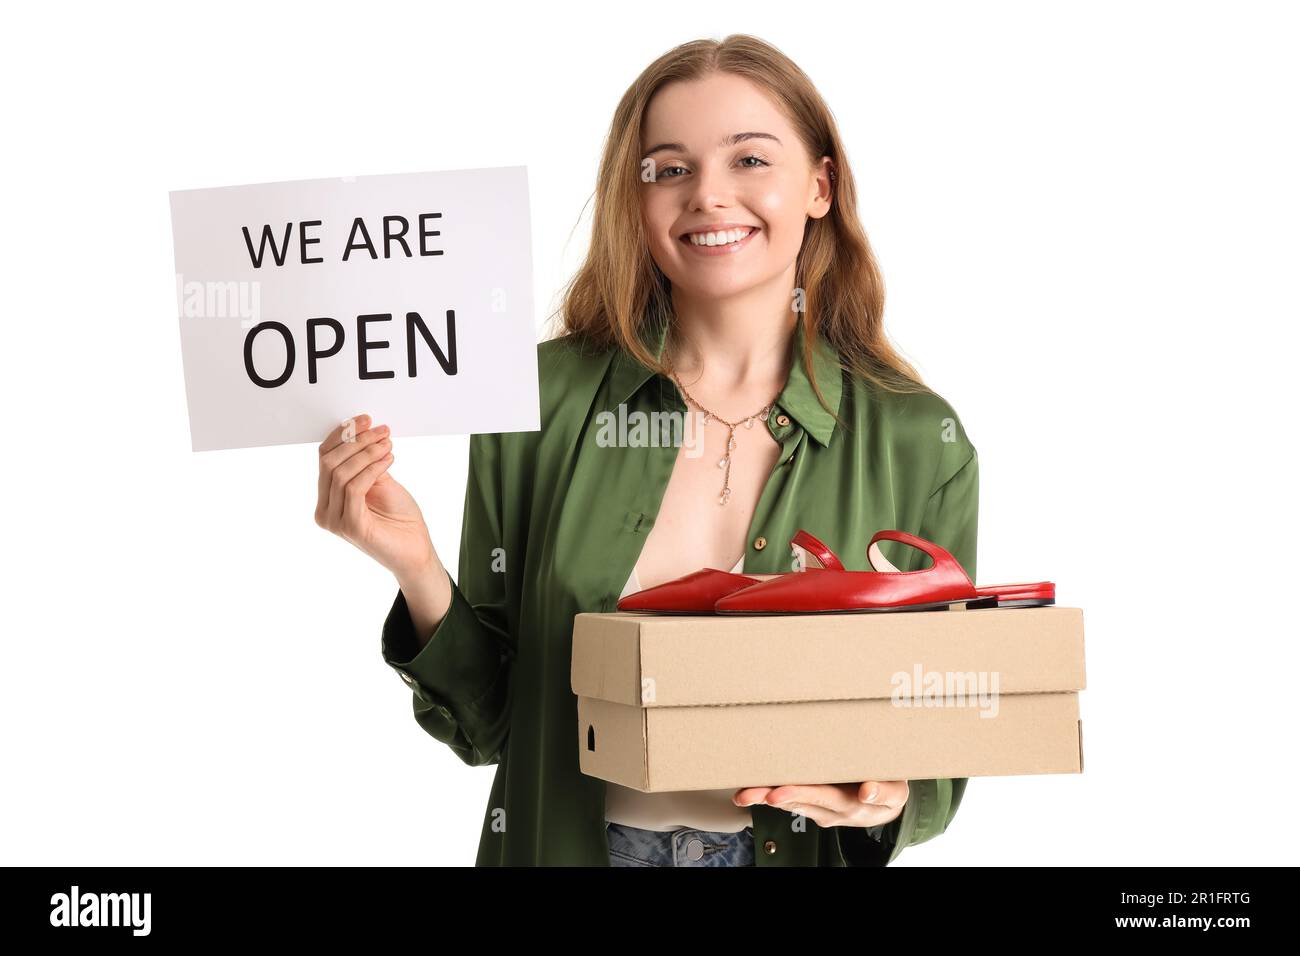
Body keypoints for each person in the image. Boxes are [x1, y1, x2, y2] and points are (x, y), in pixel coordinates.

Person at [316, 34, 976, 866]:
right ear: (636, 200)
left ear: (819, 185)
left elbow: (946, 736)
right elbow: (491, 728)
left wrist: (891, 799)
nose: (708, 195)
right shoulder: (538, 401)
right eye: (669, 169)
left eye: (749, 160)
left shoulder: (919, 441)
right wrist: (416, 570)